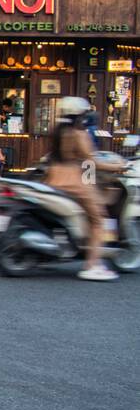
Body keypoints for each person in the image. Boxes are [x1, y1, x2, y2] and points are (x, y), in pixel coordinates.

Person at [45, 97, 124, 281]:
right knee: (99, 218)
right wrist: (118, 167)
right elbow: (92, 161)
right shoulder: (79, 134)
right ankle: (92, 264)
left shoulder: (57, 132)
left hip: (53, 177)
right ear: (81, 114)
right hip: (74, 179)